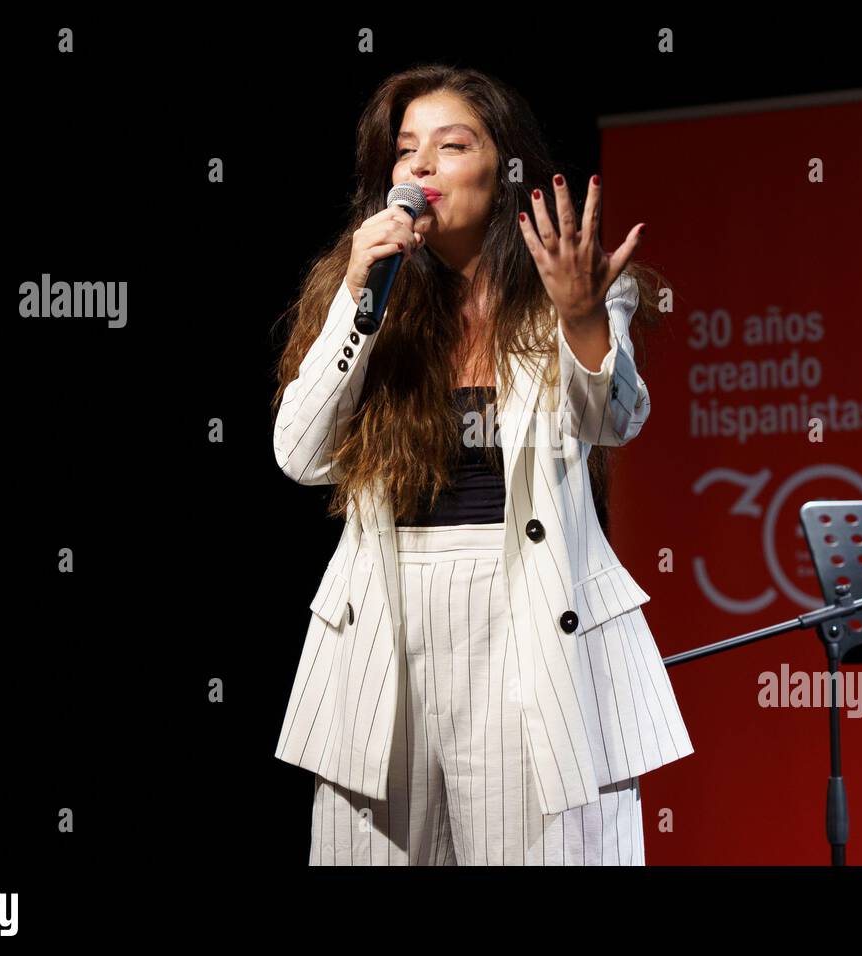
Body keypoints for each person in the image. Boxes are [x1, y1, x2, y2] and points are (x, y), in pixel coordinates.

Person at [270, 64, 694, 865]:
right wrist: (359, 303)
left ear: (506, 171)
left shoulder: (578, 287)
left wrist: (581, 321)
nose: (420, 168)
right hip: (382, 629)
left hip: (532, 621)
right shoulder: (364, 292)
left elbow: (615, 421)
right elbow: (301, 456)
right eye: (405, 152)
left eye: (450, 145)